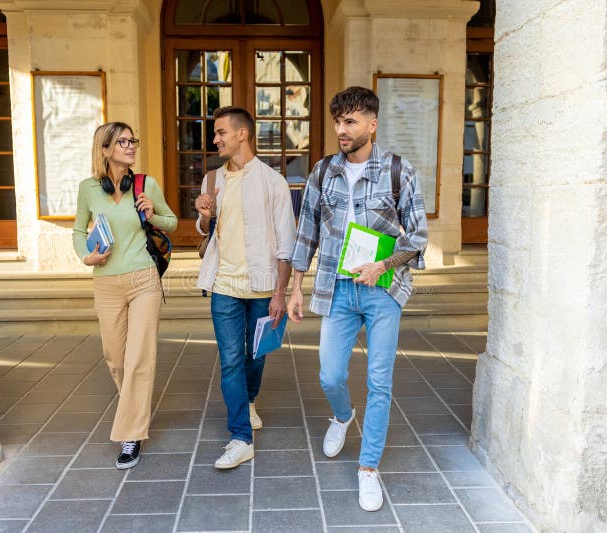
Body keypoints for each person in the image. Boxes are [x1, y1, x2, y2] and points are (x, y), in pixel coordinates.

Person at [287, 87, 428, 511]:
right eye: (337, 121)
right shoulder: (322, 171)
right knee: (330, 375)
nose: (341, 130)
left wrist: (382, 266)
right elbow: (306, 230)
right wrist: (295, 284)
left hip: (382, 288)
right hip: (338, 287)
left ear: (372, 124)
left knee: (379, 381)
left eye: (350, 122)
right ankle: (344, 416)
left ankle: (369, 469)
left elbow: (418, 237)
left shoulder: (399, 171)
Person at [195, 106, 296, 469]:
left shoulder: (273, 182)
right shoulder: (212, 180)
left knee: (256, 356)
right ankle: (240, 437)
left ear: (242, 134)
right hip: (223, 284)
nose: (215, 139)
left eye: (221, 132)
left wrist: (280, 294)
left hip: (263, 285)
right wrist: (205, 216)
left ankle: (249, 400)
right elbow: (206, 234)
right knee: (231, 360)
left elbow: (287, 244)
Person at [73, 121, 178, 469]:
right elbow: (77, 230)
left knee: (138, 358)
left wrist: (153, 215)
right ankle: (135, 408)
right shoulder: (89, 189)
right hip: (105, 282)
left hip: (143, 279)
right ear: (104, 150)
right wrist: (86, 257)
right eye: (122, 142)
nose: (131, 146)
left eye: (133, 140)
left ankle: (130, 435)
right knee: (115, 358)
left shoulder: (145, 184)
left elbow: (172, 221)